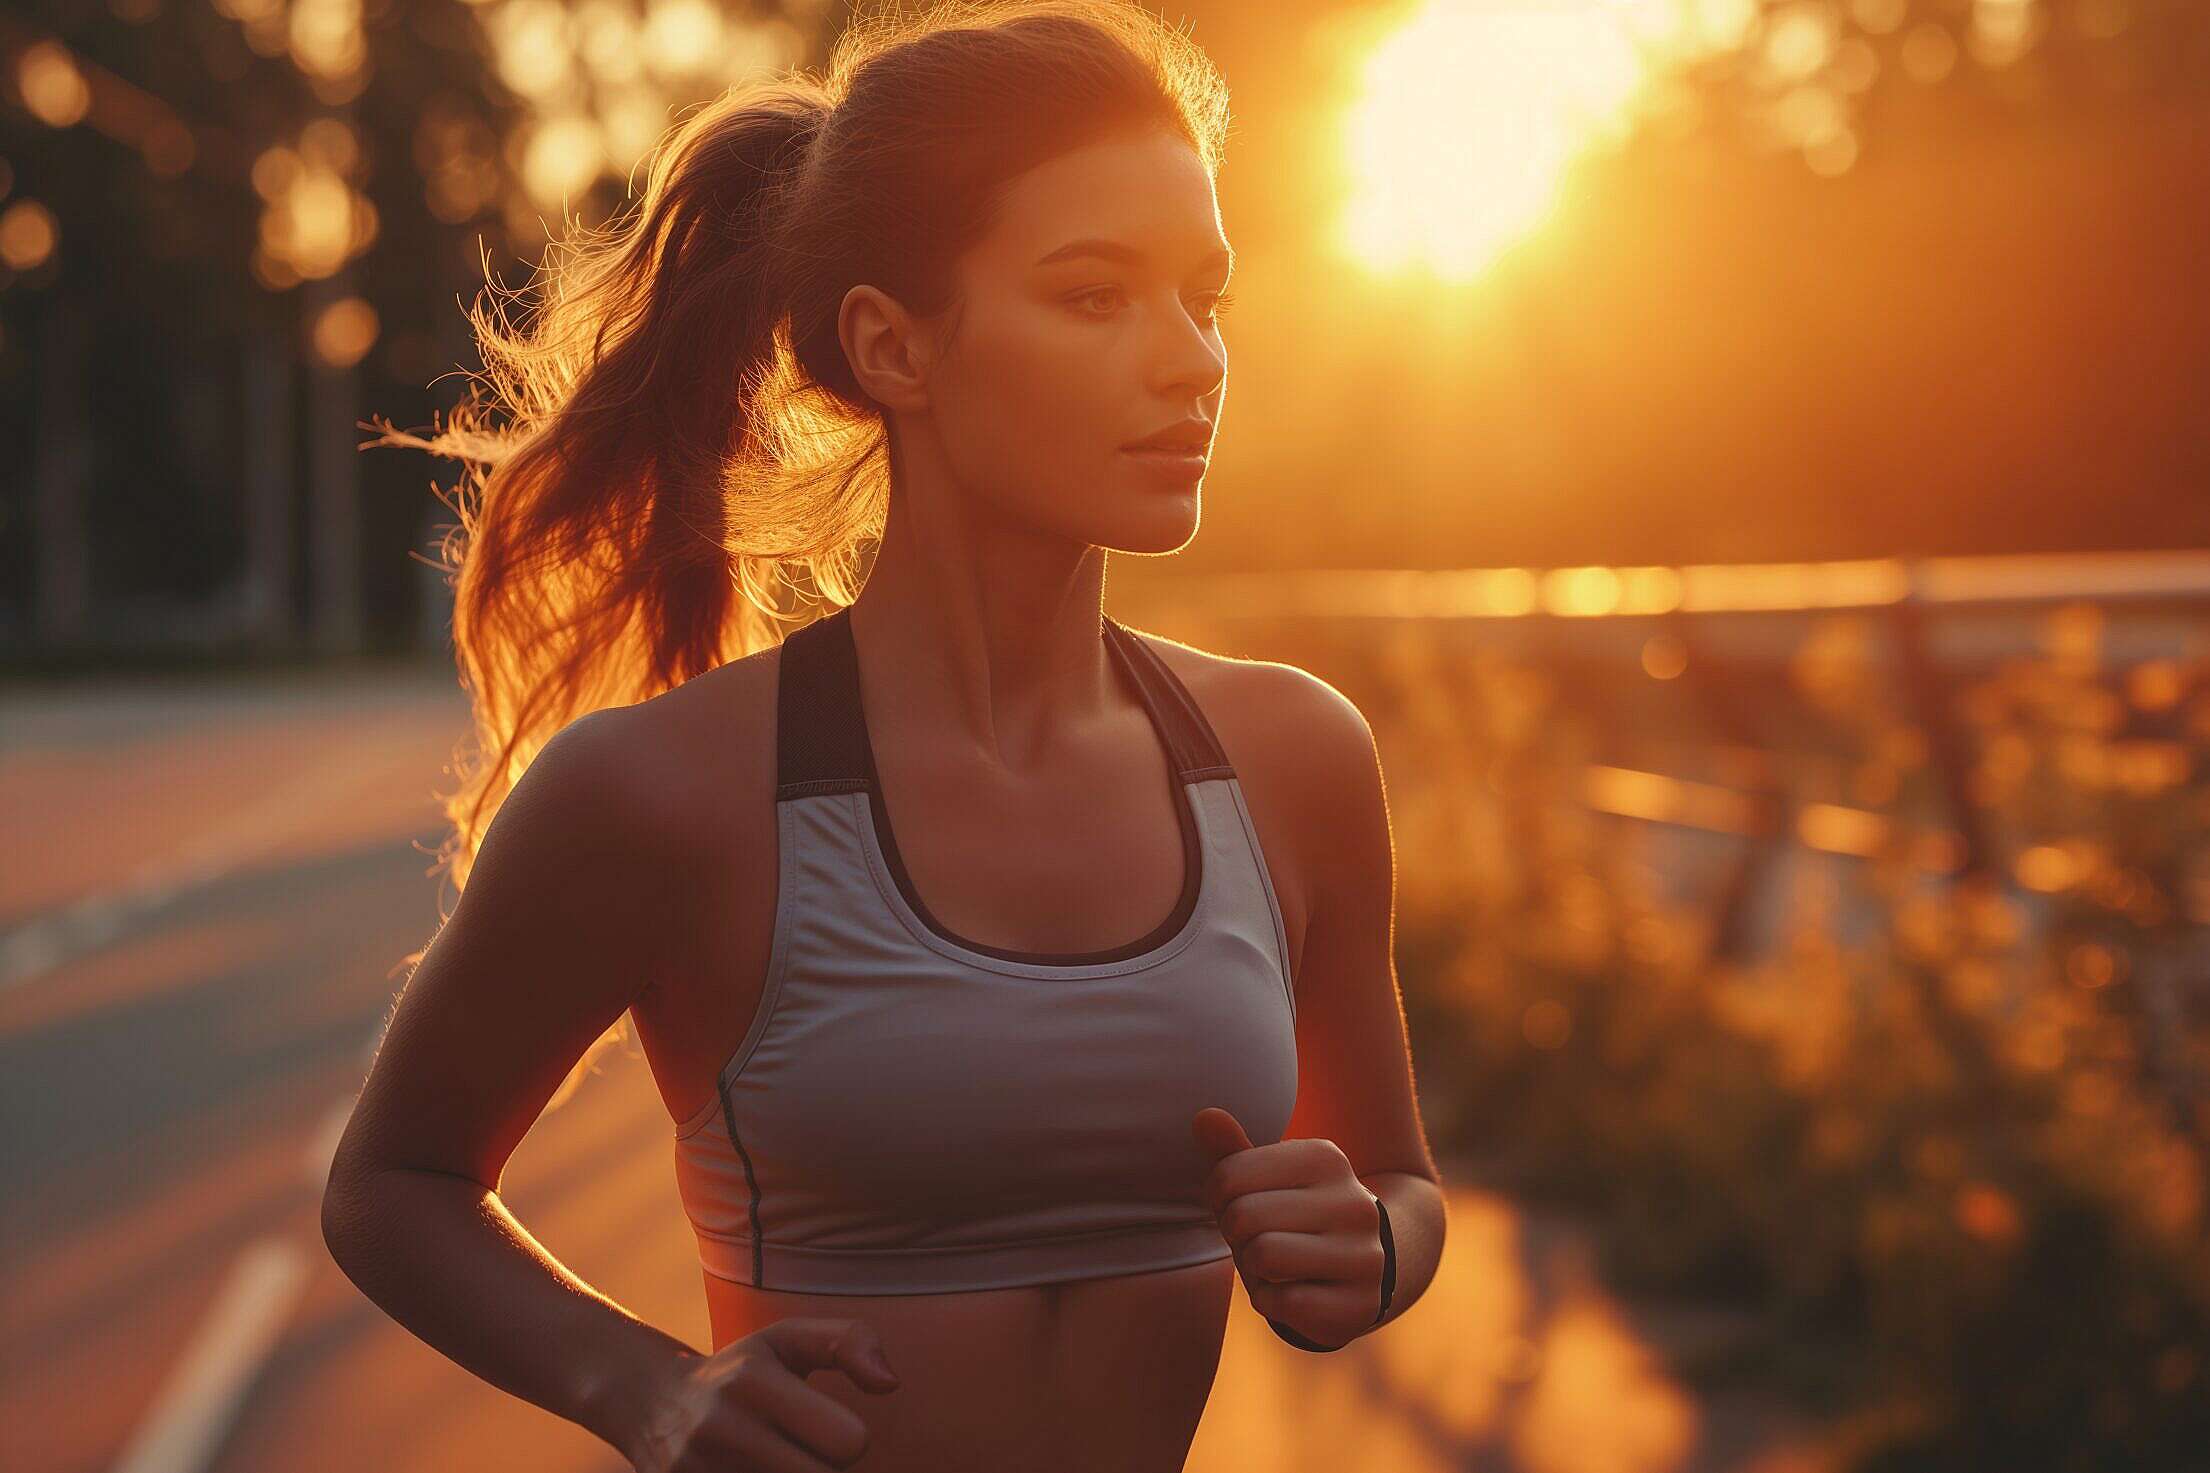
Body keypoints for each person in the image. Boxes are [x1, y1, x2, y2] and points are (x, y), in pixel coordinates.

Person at [321, 2, 1444, 1469]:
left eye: (1204, 297)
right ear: (891, 348)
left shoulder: (1295, 758)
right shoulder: (663, 796)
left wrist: (1370, 1246)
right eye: (1096, 296)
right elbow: (391, 1181)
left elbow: (1403, 1184)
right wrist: (640, 1386)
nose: (1191, 363)